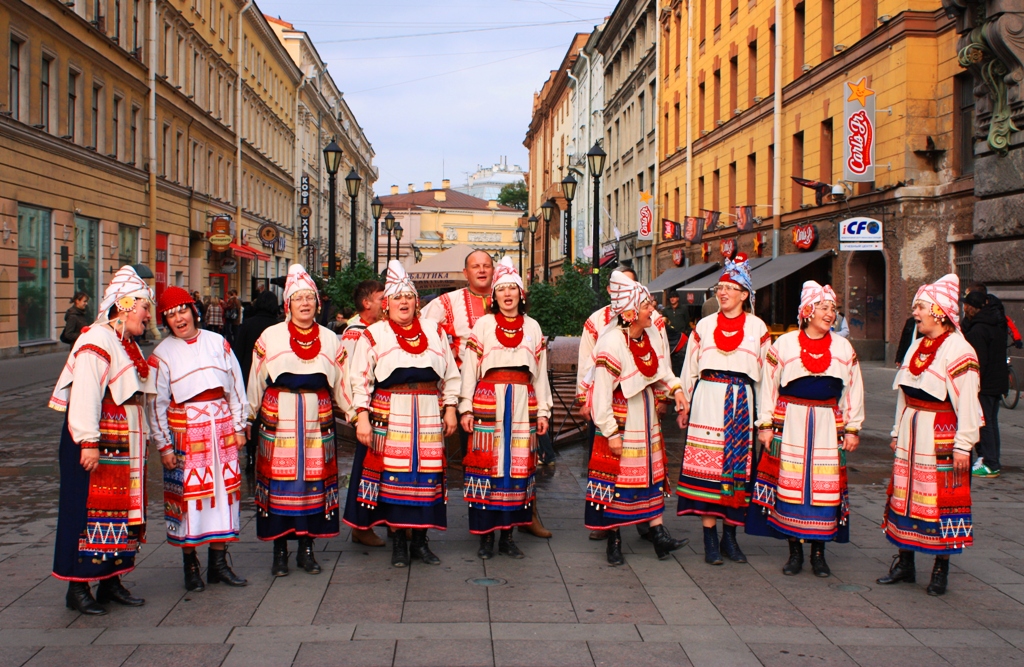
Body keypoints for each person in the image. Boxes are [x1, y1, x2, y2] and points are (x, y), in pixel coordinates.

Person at [49, 266, 155, 615]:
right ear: (124, 305)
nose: (148, 314)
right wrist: (88, 441)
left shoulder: (125, 342)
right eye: (144, 306)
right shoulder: (96, 338)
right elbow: (86, 394)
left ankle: (111, 579)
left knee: (119, 510)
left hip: (121, 441)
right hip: (98, 439)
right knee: (85, 509)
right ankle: (77, 588)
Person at [343, 261, 461, 568]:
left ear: (417, 301)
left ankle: (420, 542)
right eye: (397, 297)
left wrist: (450, 408)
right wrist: (363, 417)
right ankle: (398, 542)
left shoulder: (434, 331)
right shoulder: (374, 334)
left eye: (409, 296)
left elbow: (450, 373)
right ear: (386, 304)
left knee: (425, 475)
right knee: (394, 477)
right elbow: (360, 378)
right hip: (389, 410)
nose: (404, 302)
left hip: (427, 411)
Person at [748, 281, 864, 577]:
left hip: (827, 421)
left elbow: (853, 390)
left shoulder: (843, 347)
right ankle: (795, 552)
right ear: (808, 311)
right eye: (824, 308)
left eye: (833, 309)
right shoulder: (784, 344)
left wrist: (852, 428)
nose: (830, 314)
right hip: (791, 422)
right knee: (791, 484)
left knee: (824, 489)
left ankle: (819, 553)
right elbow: (768, 388)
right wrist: (765, 424)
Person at [877, 274, 981, 596]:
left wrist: (964, 446)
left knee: (941, 502)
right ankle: (906, 563)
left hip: (941, 435)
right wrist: (897, 430)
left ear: (938, 311)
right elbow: (903, 394)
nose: (916, 313)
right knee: (905, 496)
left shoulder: (960, 349)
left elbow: (968, 401)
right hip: (911, 431)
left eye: (920, 307)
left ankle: (940, 570)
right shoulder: (917, 347)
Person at [584, 271, 689, 565]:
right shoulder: (611, 343)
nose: (651, 310)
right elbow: (602, 394)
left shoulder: (651, 334)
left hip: (643, 412)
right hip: (620, 416)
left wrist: (676, 390)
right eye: (646, 306)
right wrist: (610, 433)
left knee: (650, 473)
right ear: (630, 312)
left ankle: (658, 535)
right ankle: (614, 540)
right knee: (617, 477)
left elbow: (660, 371)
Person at [247, 264, 345, 577]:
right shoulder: (270, 336)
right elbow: (256, 381)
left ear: (318, 303)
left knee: (313, 480)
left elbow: (341, 383)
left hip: (318, 414)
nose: (304, 303)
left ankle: (307, 548)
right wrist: (247, 418)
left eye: (310, 298)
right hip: (280, 413)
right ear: (287, 304)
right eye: (298, 298)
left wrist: (357, 414)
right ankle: (279, 550)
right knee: (281, 480)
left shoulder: (330, 339)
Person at [148, 286, 248, 591]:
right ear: (166, 321)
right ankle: (191, 566)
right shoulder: (161, 355)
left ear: (194, 311)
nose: (179, 318)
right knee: (189, 501)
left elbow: (235, 385)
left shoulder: (218, 342)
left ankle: (218, 563)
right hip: (185, 435)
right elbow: (156, 404)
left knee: (223, 497)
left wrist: (240, 426)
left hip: (221, 431)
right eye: (171, 314)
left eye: (182, 310)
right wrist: (164, 445)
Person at [677, 254, 770, 565]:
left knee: (738, 471)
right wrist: (684, 401)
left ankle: (730, 538)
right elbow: (690, 369)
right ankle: (709, 541)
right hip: (708, 401)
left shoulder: (758, 328)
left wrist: (765, 420)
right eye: (720, 287)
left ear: (744, 294)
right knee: (708, 470)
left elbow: (767, 379)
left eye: (730, 288)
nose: (723, 292)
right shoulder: (704, 325)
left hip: (742, 402)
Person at [458, 258, 552, 559]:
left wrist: (545, 412)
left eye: (513, 288)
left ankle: (508, 536)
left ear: (521, 294)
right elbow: (470, 369)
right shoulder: (483, 325)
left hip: (524, 401)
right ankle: (485, 537)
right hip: (488, 400)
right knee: (487, 466)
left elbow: (541, 372)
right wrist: (466, 407)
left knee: (517, 469)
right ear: (494, 296)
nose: (508, 294)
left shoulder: (533, 326)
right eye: (502, 290)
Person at [337, 279, 387, 548]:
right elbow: (351, 376)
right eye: (381, 298)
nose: (386, 303)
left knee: (383, 468)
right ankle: (361, 525)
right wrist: (358, 414)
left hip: (385, 408)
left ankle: (385, 519)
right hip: (367, 409)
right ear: (367, 303)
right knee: (364, 468)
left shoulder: (378, 328)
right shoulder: (356, 332)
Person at [232, 290, 279, 470]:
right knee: (269, 415)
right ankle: (268, 451)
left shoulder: (247, 324)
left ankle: (251, 456)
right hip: (271, 378)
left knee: (251, 415)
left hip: (246, 373)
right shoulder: (277, 326)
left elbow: (238, 351)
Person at [962, 290, 1007, 478]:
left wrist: (974, 384)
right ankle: (991, 459)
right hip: (998, 381)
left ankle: (990, 462)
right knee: (991, 422)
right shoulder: (996, 323)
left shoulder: (979, 330)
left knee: (984, 423)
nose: (963, 308)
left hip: (986, 383)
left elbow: (979, 361)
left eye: (966, 305)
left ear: (972, 307)